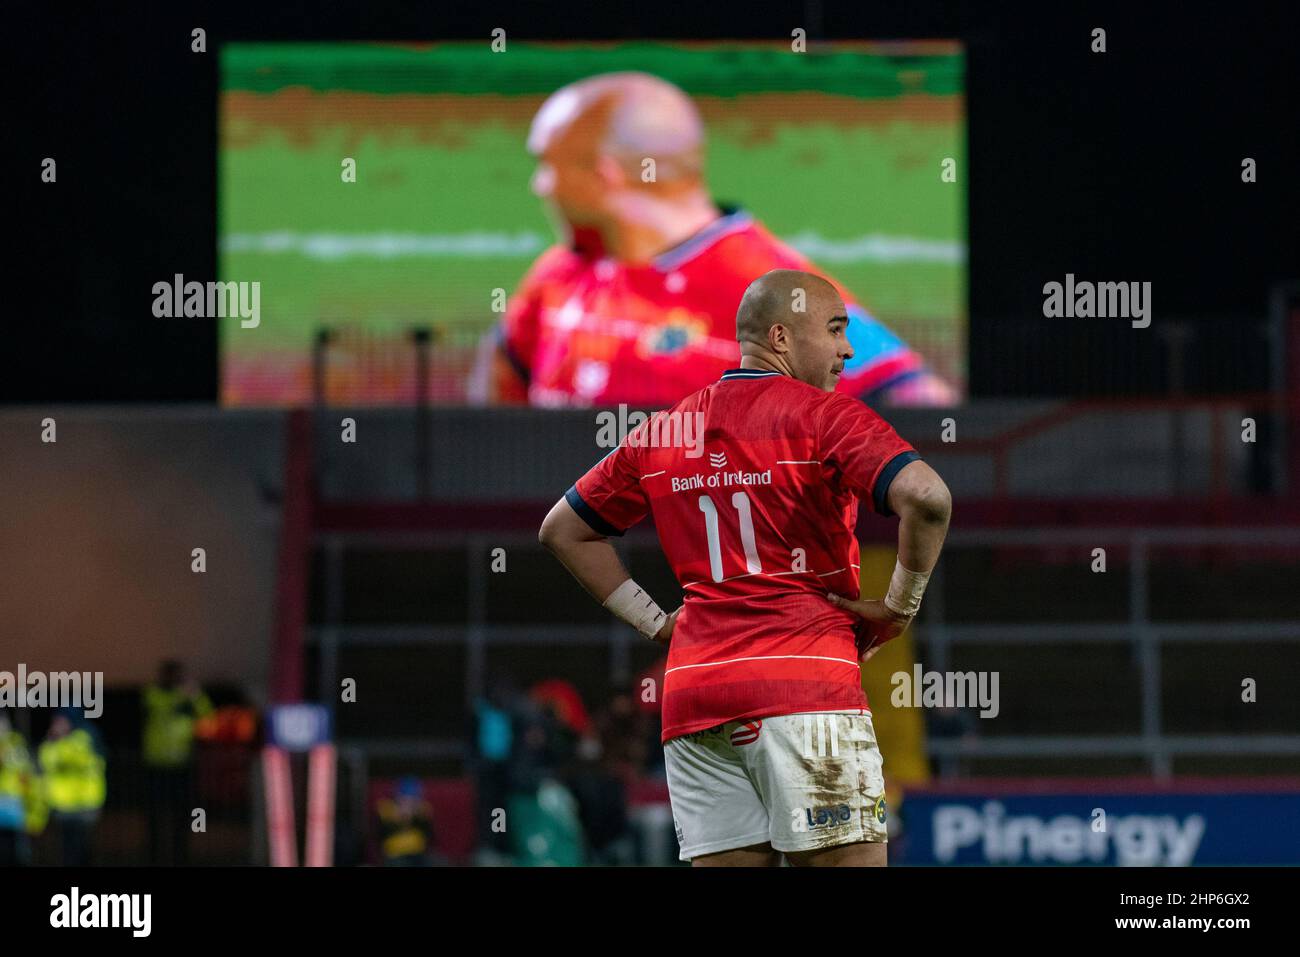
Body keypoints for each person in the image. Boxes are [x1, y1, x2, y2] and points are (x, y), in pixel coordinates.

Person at [540, 269, 952, 866]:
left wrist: (658, 624)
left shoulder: (665, 430)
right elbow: (929, 498)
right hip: (807, 690)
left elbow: (563, 530)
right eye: (836, 330)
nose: (848, 349)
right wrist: (898, 607)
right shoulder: (827, 417)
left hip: (696, 700)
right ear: (781, 337)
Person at [475, 71, 956, 409]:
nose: (540, 186)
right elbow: (498, 384)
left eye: (548, 165)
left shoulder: (766, 286)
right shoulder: (561, 271)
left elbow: (918, 409)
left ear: (606, 176)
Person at [141, 660, 213, 865]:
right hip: (156, 765)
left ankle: (180, 857)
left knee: (182, 817)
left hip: (182, 765)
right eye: (172, 675)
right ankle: (154, 857)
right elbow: (161, 708)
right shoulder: (154, 694)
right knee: (155, 816)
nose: (175, 680)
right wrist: (185, 695)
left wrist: (196, 695)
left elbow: (209, 717)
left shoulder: (189, 699)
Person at [38, 711, 105, 866]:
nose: (58, 725)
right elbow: (46, 761)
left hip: (85, 802)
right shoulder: (52, 742)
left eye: (61, 721)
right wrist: (54, 742)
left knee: (82, 846)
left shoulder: (83, 738)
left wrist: (60, 743)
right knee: (66, 847)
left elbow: (82, 761)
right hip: (62, 803)